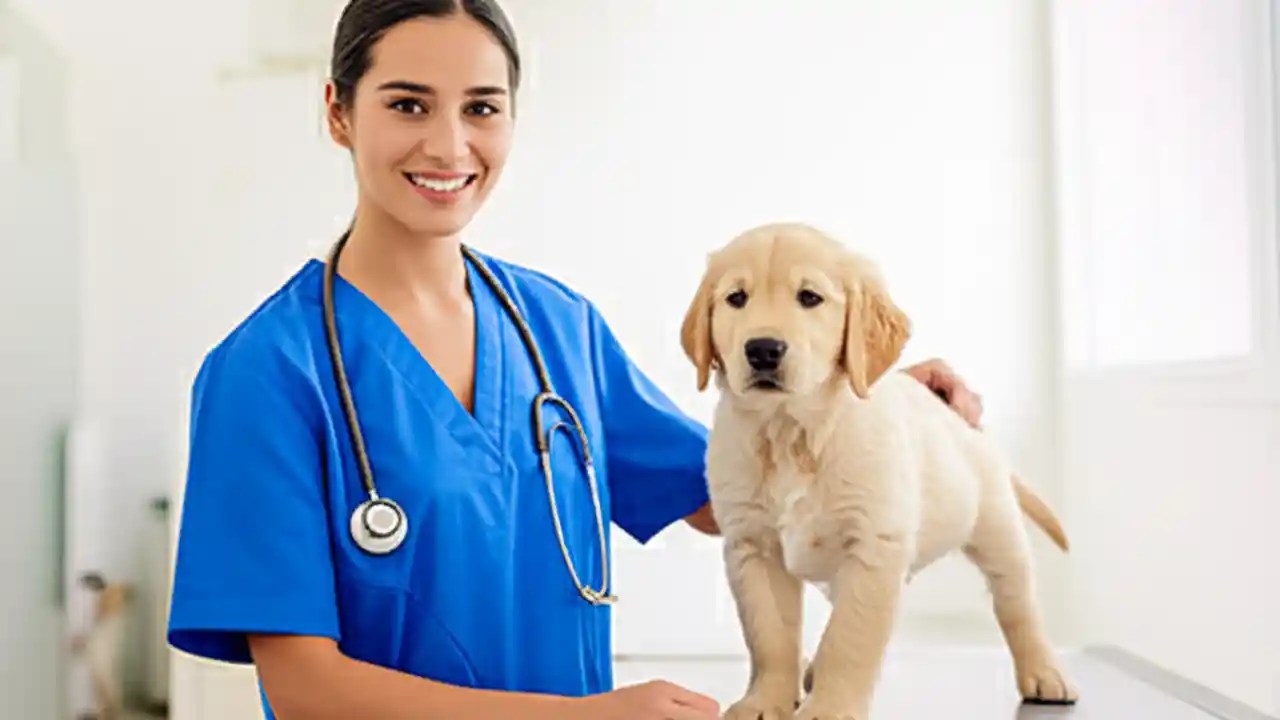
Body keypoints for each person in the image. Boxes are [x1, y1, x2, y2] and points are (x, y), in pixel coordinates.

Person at [165, 1, 985, 718]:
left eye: (482, 108)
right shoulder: (266, 372)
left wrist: (864, 396)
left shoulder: (558, 328)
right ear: (339, 114)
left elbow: (731, 492)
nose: (449, 145)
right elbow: (308, 690)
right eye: (409, 104)